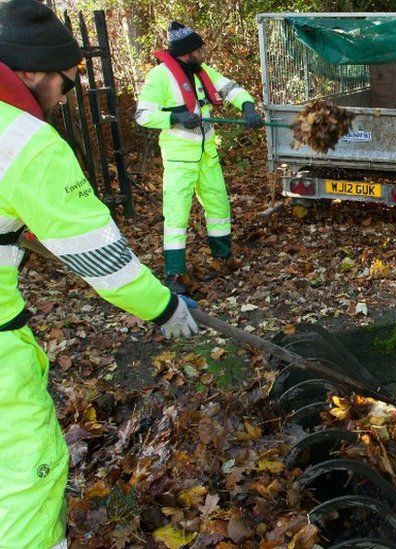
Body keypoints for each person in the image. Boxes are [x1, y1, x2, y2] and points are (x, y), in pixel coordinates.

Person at [0, 0, 200, 546]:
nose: (66, 99)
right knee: (24, 480)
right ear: (34, 70)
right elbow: (102, 261)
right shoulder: (24, 140)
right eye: (67, 83)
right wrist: (164, 306)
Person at [136, 21, 262, 294]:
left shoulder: (202, 71)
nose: (203, 53)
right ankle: (175, 274)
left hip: (207, 156)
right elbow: (143, 115)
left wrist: (249, 108)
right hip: (179, 160)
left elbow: (231, 88)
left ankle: (223, 258)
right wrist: (175, 117)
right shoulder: (159, 77)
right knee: (176, 216)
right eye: (199, 50)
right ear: (188, 51)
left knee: (219, 207)